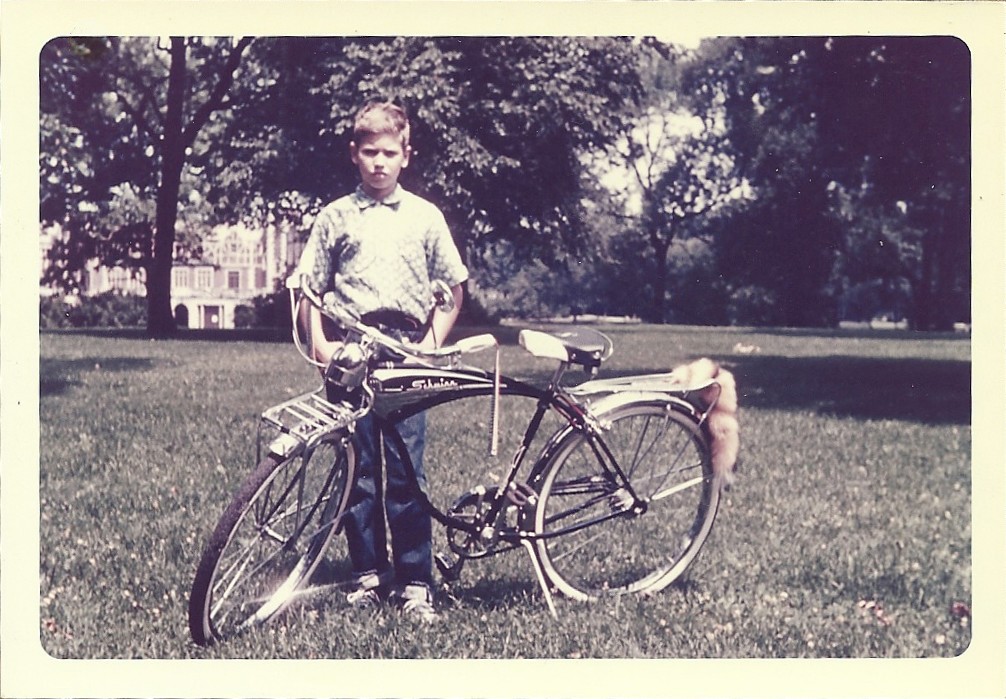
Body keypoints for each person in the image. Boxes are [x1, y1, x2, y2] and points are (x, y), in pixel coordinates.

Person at [293, 100, 469, 621]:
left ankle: (415, 580)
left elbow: (455, 288)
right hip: (350, 349)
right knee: (358, 469)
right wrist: (322, 347)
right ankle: (366, 574)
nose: (379, 163)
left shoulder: (424, 216)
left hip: (407, 351)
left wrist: (431, 346)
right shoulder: (335, 217)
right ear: (354, 154)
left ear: (406, 156)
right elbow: (307, 289)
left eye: (389, 153)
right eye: (369, 152)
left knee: (405, 470)